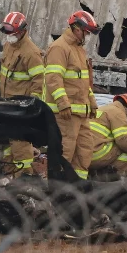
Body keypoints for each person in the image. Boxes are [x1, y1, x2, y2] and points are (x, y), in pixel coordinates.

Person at [44, 10, 99, 179]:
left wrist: (92, 102)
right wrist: (63, 104)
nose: (88, 36)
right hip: (66, 114)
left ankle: (77, 186)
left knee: (84, 149)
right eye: (86, 32)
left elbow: (82, 83)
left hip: (81, 113)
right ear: (76, 28)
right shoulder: (59, 48)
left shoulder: (79, 50)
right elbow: (53, 78)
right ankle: (57, 187)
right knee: (65, 150)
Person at [0, 11, 44, 176]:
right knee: (10, 142)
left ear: (22, 31)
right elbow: (5, 71)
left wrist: (33, 106)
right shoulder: (9, 45)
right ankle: (10, 173)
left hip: (21, 107)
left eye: (11, 32)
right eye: (6, 32)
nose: (8, 36)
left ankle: (24, 176)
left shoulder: (31, 53)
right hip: (7, 103)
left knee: (20, 143)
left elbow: (39, 81)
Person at [86, 94, 127, 177]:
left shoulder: (103, 108)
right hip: (96, 154)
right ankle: (116, 175)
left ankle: (98, 172)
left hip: (84, 154)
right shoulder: (118, 113)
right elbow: (124, 141)